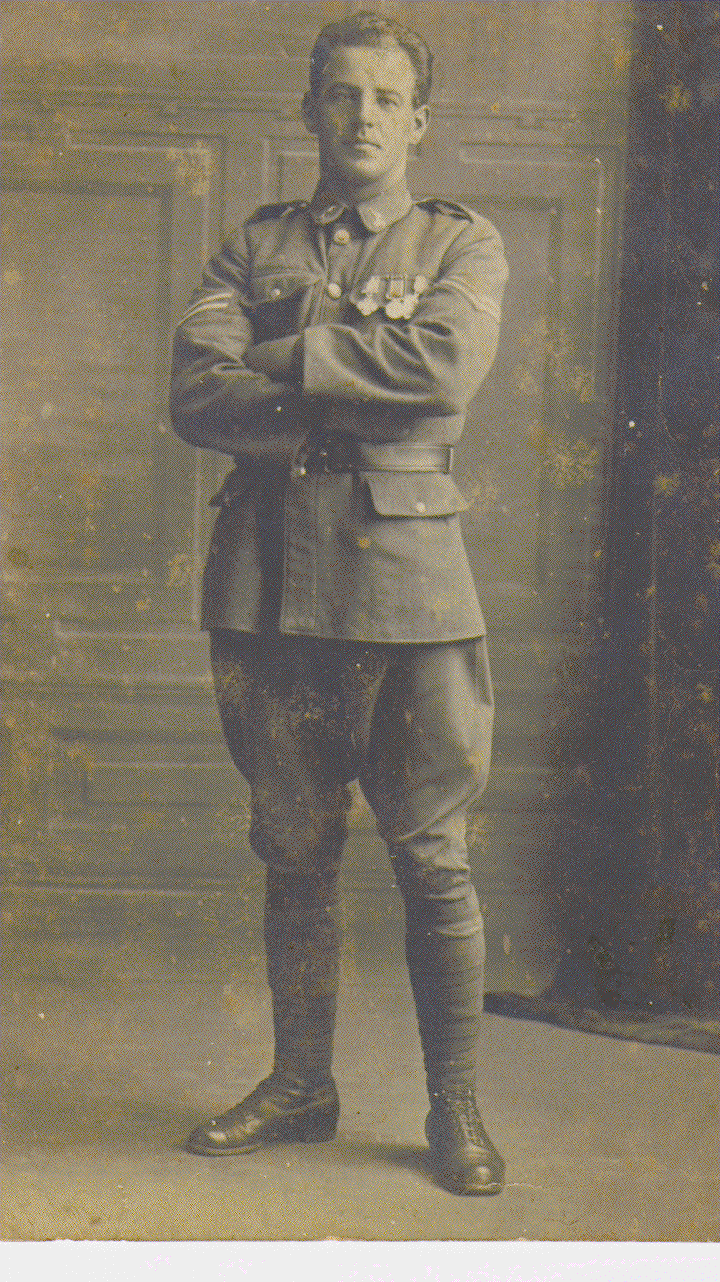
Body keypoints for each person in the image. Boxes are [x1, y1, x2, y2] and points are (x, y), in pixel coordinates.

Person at [170, 10, 508, 1196]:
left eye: (384, 97)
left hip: (410, 599)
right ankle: (303, 1085)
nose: (361, 116)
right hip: (268, 593)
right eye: (339, 94)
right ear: (310, 111)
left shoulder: (463, 246)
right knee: (295, 849)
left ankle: (454, 1107)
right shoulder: (252, 244)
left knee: (432, 859)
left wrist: (283, 351)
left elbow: (444, 373)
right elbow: (195, 395)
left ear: (419, 120)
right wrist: (351, 371)